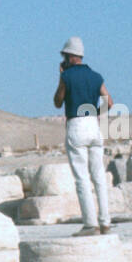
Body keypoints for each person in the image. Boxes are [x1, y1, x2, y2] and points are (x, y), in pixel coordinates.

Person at [53, 36, 114, 236]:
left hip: (76, 125)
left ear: (70, 56)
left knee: (82, 179)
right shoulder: (96, 76)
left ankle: (90, 224)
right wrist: (97, 113)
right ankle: (105, 222)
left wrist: (61, 77)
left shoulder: (67, 76)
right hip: (93, 125)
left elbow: (57, 101)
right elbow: (109, 102)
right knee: (98, 177)